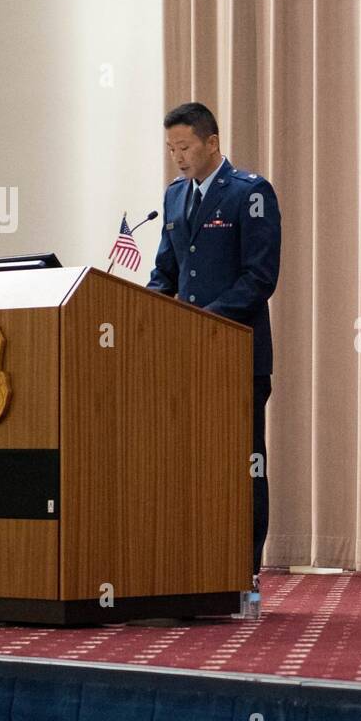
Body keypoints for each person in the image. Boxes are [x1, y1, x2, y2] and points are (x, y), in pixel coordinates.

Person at [147, 102, 281, 580]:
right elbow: (166, 270)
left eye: (184, 147)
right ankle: (195, 558)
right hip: (186, 355)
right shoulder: (174, 196)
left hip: (237, 352)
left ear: (211, 143)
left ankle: (242, 564)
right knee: (191, 460)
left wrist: (204, 318)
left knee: (243, 461)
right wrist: (146, 310)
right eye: (171, 149)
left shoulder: (250, 192)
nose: (178, 157)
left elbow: (260, 277)